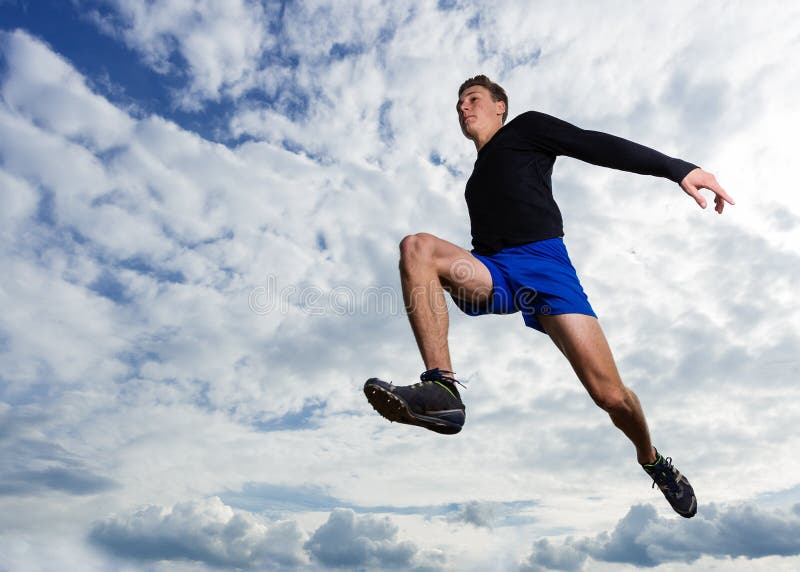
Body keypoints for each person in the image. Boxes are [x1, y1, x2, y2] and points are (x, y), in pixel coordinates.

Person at [364, 75, 734, 519]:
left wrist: (679, 169)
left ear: (500, 106)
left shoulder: (527, 129)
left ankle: (652, 460)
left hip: (545, 269)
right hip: (494, 271)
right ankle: (443, 388)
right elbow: (468, 264)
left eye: (473, 99)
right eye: (459, 103)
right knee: (416, 248)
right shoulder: (473, 182)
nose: (463, 108)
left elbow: (595, 144)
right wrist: (452, 285)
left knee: (611, 396)